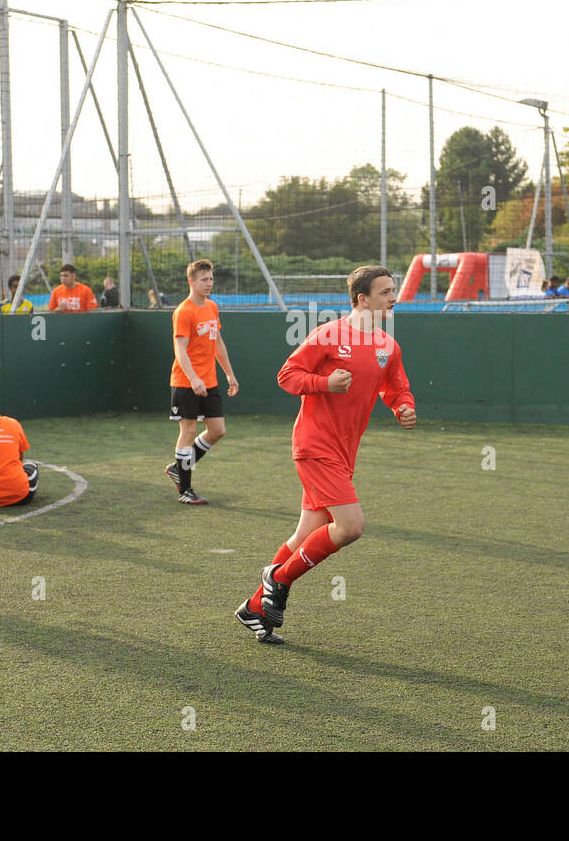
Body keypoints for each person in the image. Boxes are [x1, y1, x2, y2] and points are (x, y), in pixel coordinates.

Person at [234, 265, 416, 645]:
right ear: (362, 299)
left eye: (393, 290)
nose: (393, 298)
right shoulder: (328, 335)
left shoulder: (388, 346)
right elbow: (287, 376)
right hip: (314, 446)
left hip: (344, 453)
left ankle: (254, 607)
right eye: (385, 292)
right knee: (350, 526)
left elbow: (394, 387)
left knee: (307, 533)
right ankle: (277, 579)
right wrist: (324, 383)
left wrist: (403, 406)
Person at [164, 259, 239, 505]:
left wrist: (229, 373)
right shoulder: (184, 311)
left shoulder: (212, 307)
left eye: (211, 279)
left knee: (218, 430)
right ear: (191, 282)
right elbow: (180, 350)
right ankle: (185, 488)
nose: (209, 284)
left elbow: (217, 343)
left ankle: (178, 468)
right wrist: (194, 378)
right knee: (189, 431)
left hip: (209, 381)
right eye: (204, 280)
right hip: (186, 382)